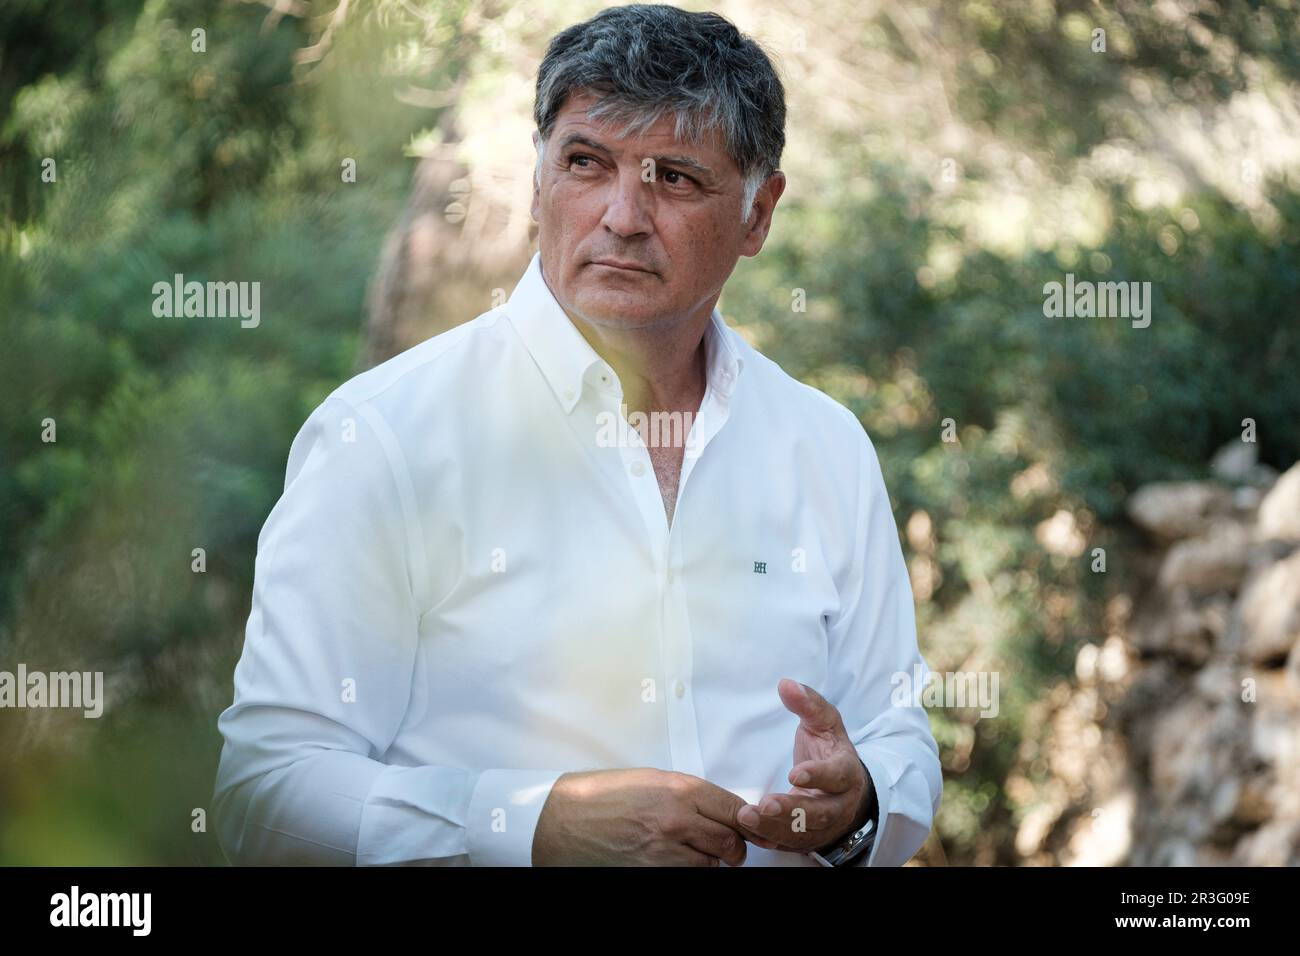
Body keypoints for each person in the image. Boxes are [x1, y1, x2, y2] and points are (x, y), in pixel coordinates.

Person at [213, 3, 942, 867]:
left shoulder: (826, 447)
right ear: (536, 179)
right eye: (587, 164)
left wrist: (858, 803)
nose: (623, 216)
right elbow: (265, 794)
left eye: (674, 178)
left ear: (757, 215)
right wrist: (529, 825)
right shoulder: (381, 439)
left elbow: (899, 735)